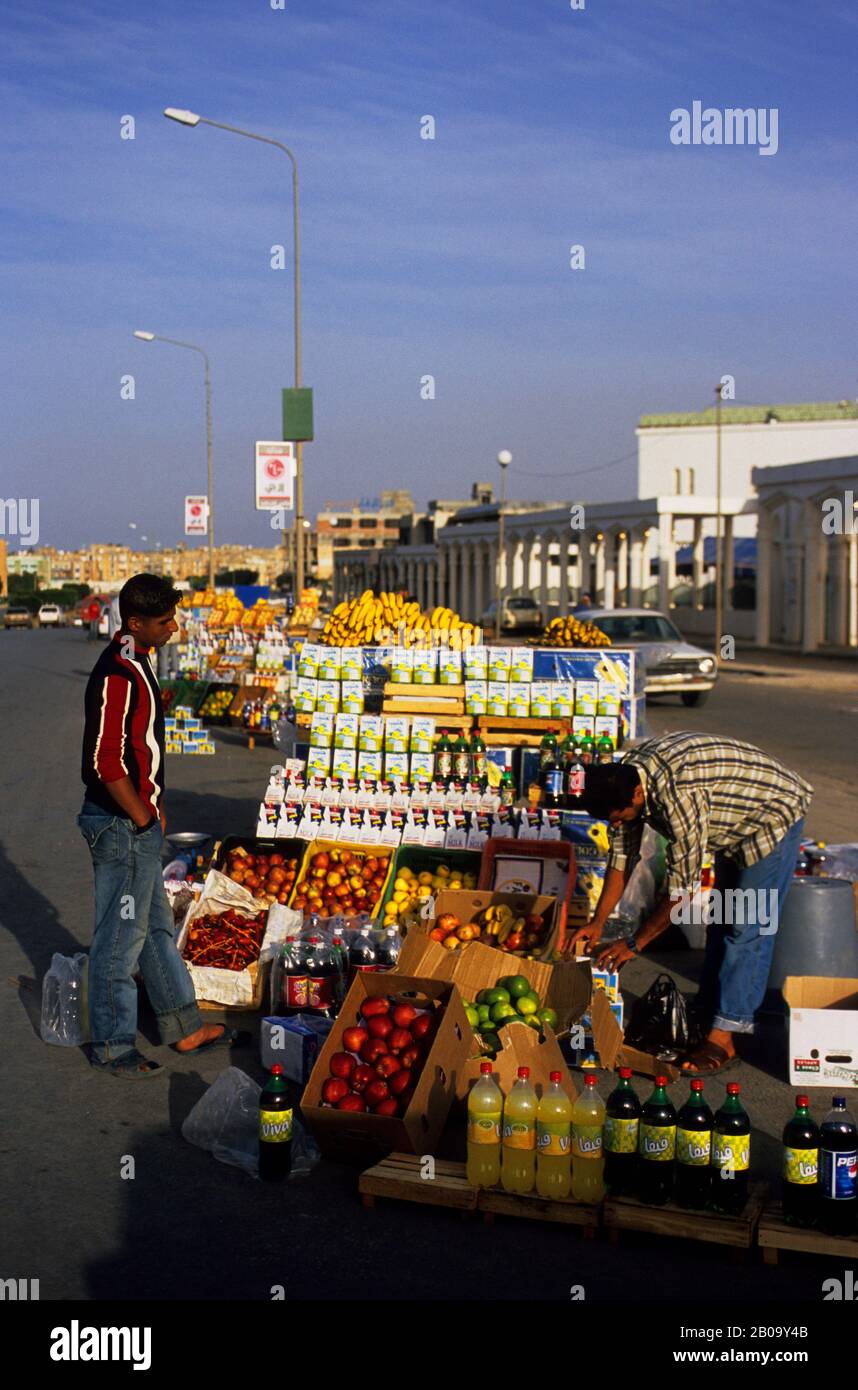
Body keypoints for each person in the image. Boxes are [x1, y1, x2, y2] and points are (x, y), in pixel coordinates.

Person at [567, 732, 812, 1076]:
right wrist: (598, 922)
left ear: (638, 794)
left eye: (620, 816)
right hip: (730, 821)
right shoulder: (622, 784)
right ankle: (713, 1009)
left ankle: (726, 1035)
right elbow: (621, 861)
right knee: (724, 921)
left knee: (747, 928)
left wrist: (635, 943)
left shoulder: (679, 795)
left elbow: (682, 893)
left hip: (770, 818)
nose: (616, 824)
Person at [79, 573, 235, 1077]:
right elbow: (106, 762)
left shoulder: (139, 659)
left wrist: (155, 804)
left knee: (154, 929)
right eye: (165, 621)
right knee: (121, 936)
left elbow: (137, 745)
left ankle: (184, 1026)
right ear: (135, 622)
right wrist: (143, 814)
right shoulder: (117, 675)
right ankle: (110, 1043)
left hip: (139, 820)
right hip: (120, 824)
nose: (174, 628)